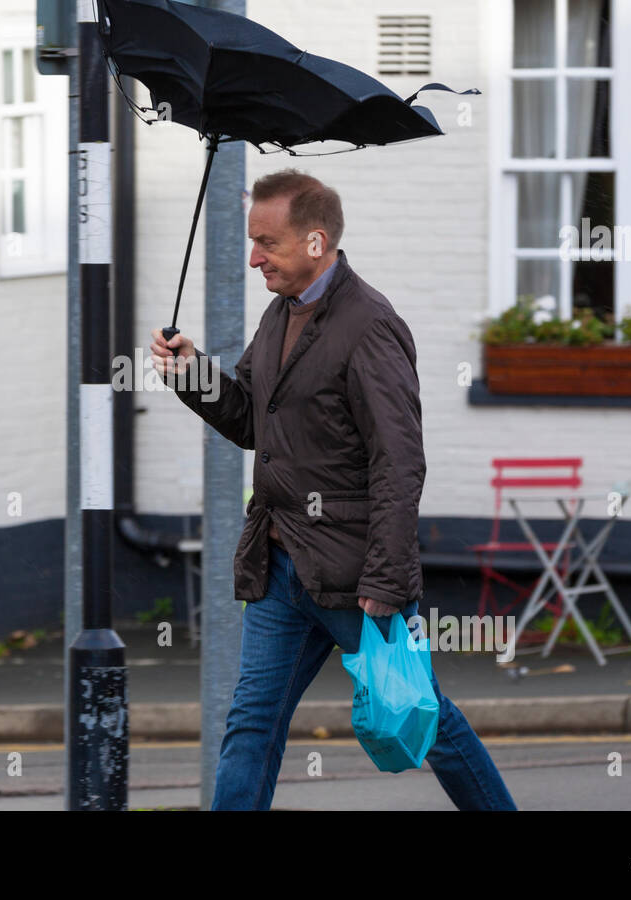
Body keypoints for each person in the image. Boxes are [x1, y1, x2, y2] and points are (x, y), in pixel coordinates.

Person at [149, 169, 517, 811]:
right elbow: (250, 421)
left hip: (353, 573)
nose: (255, 257)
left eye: (268, 243)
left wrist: (386, 580)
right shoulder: (280, 313)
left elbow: (399, 463)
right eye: (252, 240)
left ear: (316, 242)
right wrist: (192, 374)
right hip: (280, 565)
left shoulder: (369, 324)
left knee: (422, 719)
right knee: (251, 726)